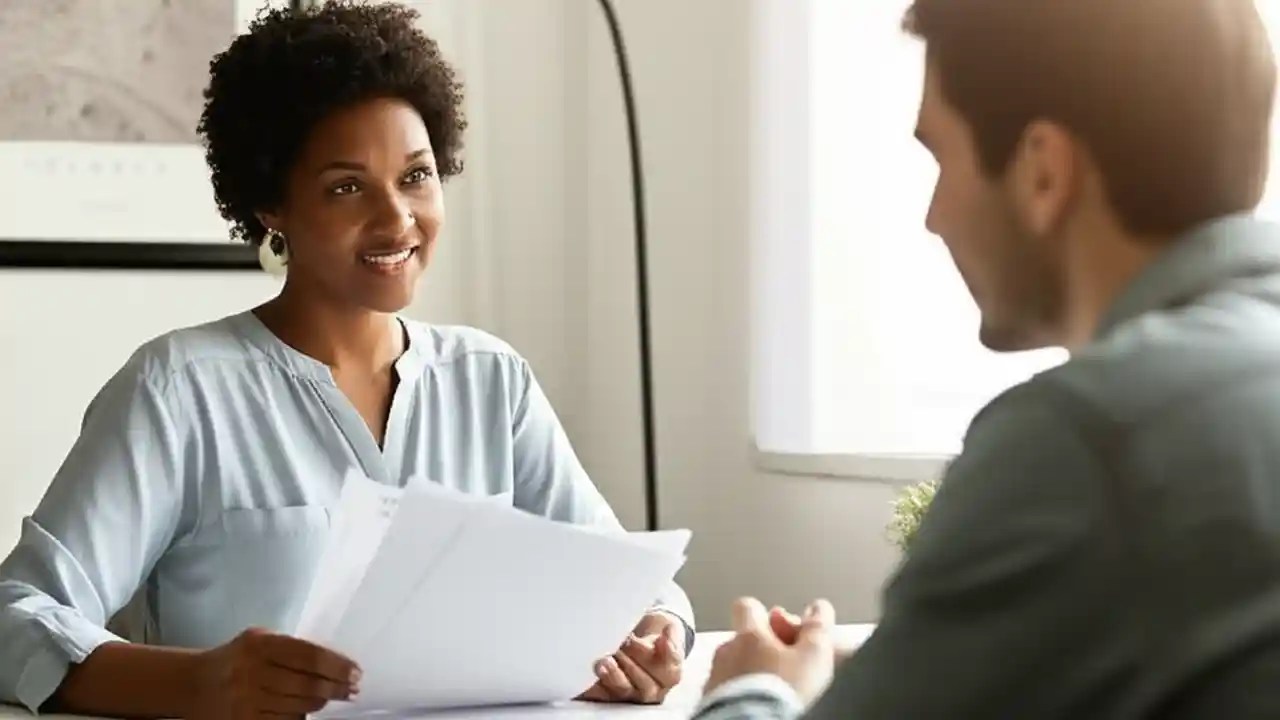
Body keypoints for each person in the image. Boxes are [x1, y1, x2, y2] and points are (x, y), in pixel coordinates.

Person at [0, 2, 692, 717]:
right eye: (346, 187)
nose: (397, 219)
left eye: (416, 177)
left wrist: (655, 636)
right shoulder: (180, 390)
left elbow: (634, 586)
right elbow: (16, 616)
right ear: (271, 203)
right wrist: (200, 683)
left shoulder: (492, 383)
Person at [697, 0, 1280, 718]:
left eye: (941, 155)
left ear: (1043, 171)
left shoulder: (1086, 440)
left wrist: (753, 691)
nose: (933, 215)